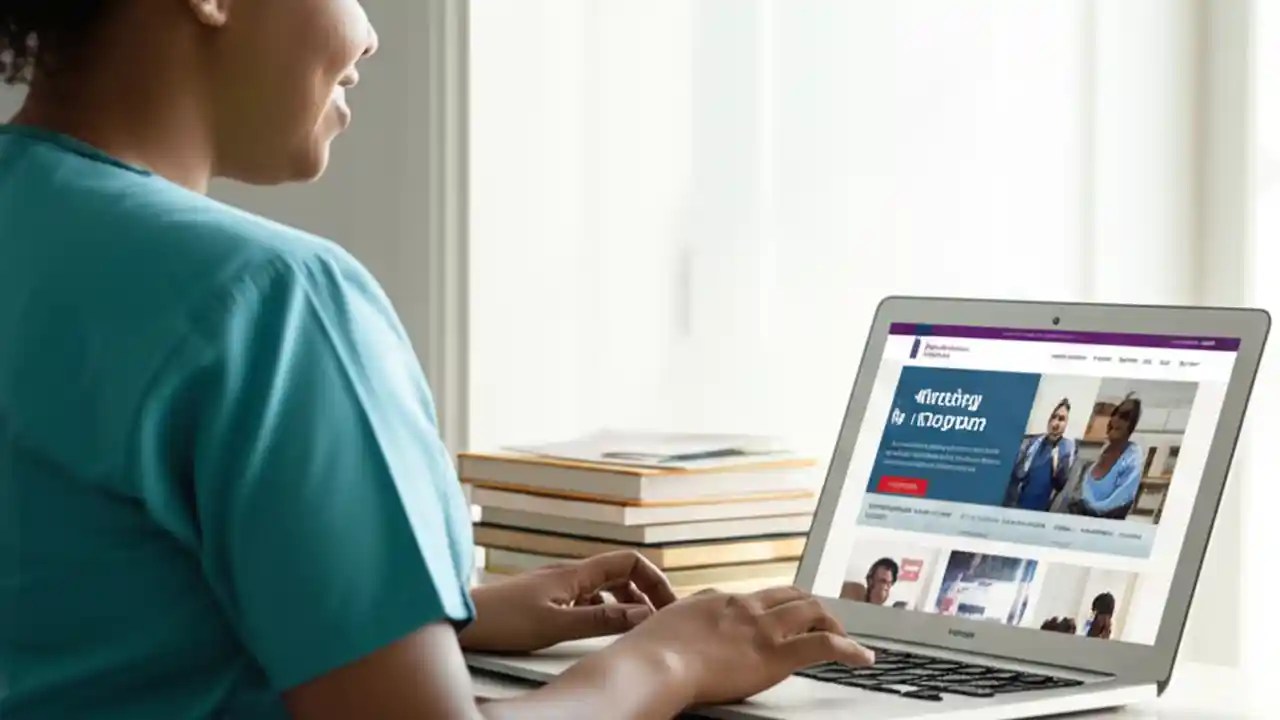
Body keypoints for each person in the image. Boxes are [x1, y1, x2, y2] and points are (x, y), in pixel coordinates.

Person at [0, 3, 873, 719]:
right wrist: (669, 659)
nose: (371, 31)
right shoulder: (272, 297)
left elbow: (88, 616)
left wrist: (441, 619)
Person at [1071, 395, 1145, 519]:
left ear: (1132, 426)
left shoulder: (1133, 457)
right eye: (1115, 414)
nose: (1115, 419)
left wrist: (1085, 509)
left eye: (1124, 417)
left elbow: (1119, 504)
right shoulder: (1101, 450)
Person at [1005, 398, 1077, 511]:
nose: (1055, 423)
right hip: (1016, 506)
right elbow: (1015, 475)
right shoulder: (1032, 444)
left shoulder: (1066, 449)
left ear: (1067, 424)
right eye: (1053, 417)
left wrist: (1056, 465)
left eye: (1061, 419)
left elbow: (1061, 485)